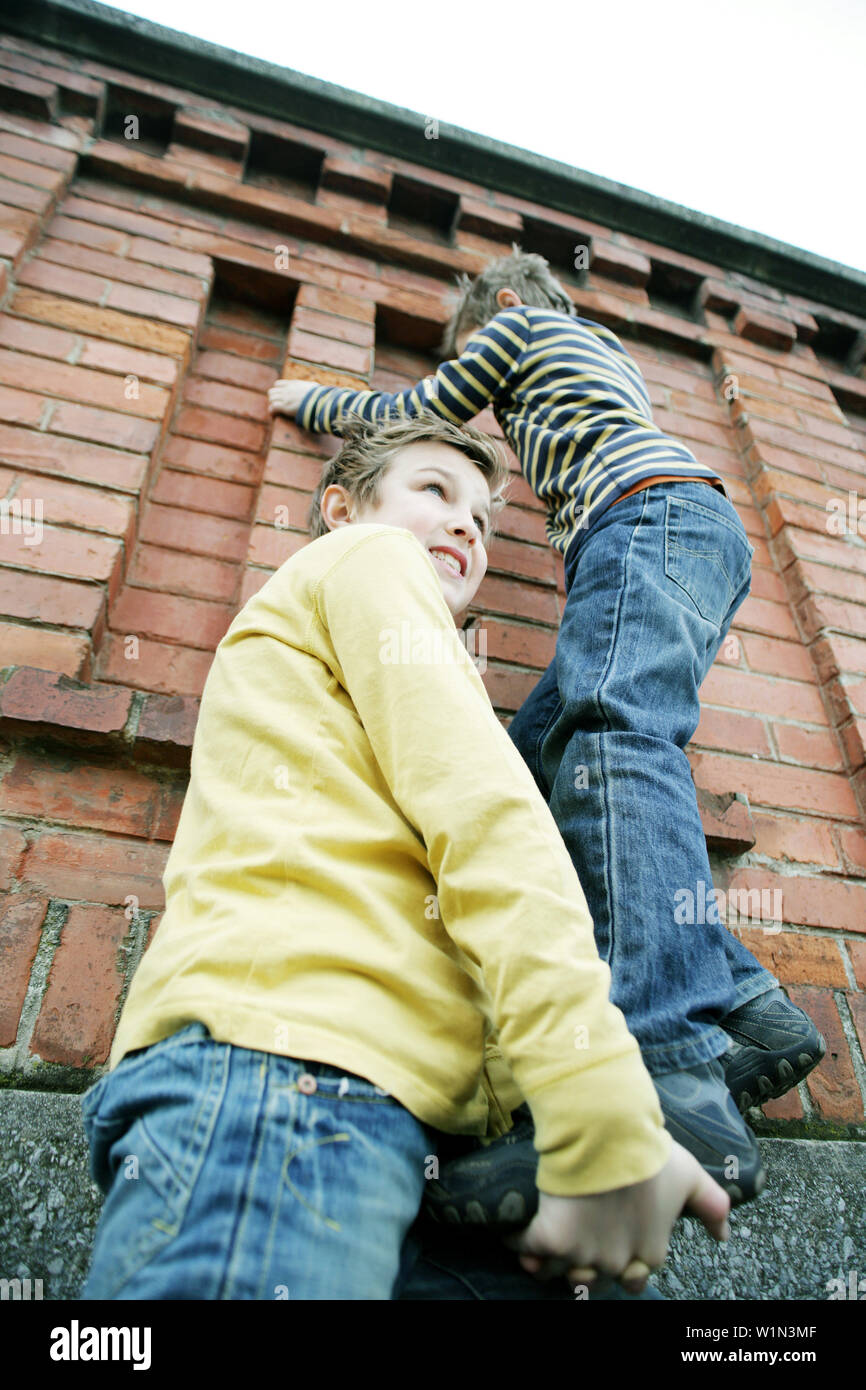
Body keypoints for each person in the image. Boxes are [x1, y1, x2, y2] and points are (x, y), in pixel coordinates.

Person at [80, 412, 729, 1302]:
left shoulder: (379, 637)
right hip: (287, 1083)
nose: (468, 522)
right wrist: (597, 1102)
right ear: (340, 508)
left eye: (485, 518)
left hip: (393, 1112)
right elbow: (484, 817)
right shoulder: (367, 561)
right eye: (435, 490)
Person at [268, 248, 825, 1218]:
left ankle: (666, 1065)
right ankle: (744, 1005)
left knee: (614, 731)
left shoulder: (522, 327)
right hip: (679, 528)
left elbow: (423, 412)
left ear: (509, 307)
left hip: (642, 522)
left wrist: (310, 399)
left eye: (473, 336)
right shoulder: (606, 354)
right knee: (533, 768)